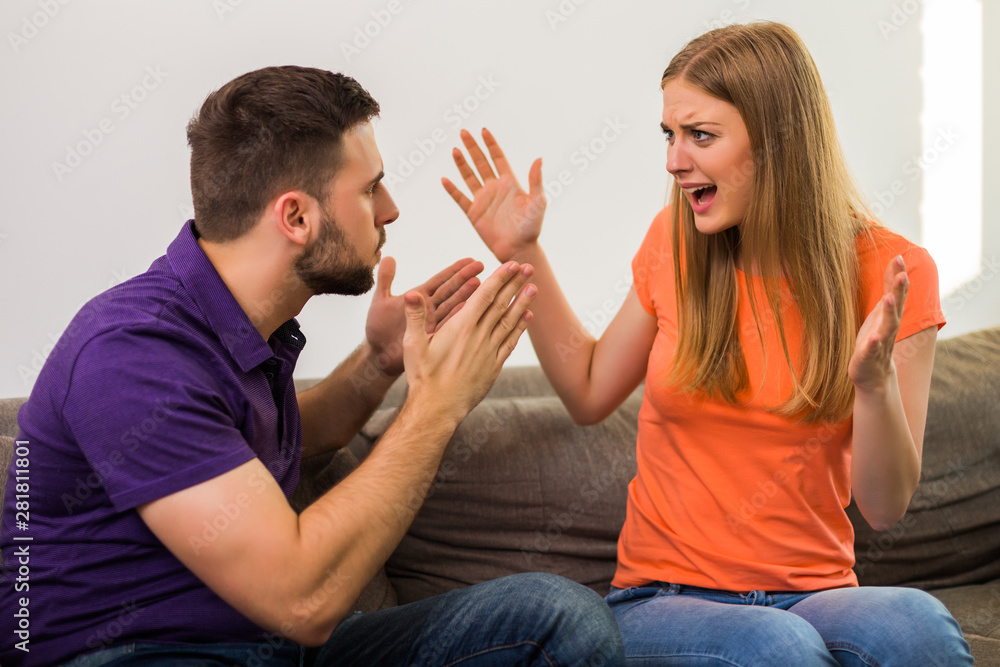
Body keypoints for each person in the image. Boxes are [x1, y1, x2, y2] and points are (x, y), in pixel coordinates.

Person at [0, 66, 628, 666]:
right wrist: (436, 403)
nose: (390, 210)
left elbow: (273, 444)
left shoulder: (242, 327)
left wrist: (380, 362)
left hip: (269, 651)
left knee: (555, 616)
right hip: (137, 654)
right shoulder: (133, 355)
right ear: (296, 217)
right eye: (370, 188)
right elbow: (301, 601)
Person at [442, 21, 974, 666]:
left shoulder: (894, 272)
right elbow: (586, 390)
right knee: (778, 647)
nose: (673, 160)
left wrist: (873, 386)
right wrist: (523, 250)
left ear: (778, 141)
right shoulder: (674, 241)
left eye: (700, 134)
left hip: (815, 593)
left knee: (918, 625)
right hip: (662, 599)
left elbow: (885, 508)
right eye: (669, 134)